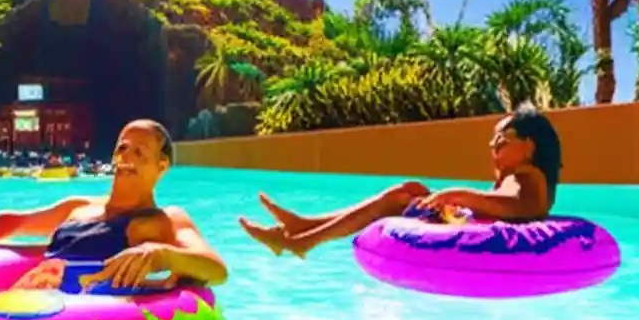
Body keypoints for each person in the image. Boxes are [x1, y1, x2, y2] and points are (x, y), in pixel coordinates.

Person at [0, 119, 228, 291]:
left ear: (161, 166)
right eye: (122, 148)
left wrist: (161, 255)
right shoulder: (79, 206)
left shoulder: (161, 220)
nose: (126, 157)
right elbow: (15, 221)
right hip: (27, 298)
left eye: (140, 151)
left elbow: (215, 268)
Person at [239, 103, 562, 259]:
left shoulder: (526, 177)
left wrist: (457, 194)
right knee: (407, 193)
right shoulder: (521, 176)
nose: (493, 146)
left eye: (503, 140)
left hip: (476, 231)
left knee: (399, 196)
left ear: (530, 145)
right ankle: (302, 226)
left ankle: (301, 238)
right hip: (473, 224)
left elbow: (519, 207)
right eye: (493, 139)